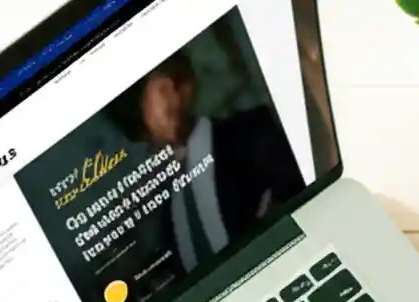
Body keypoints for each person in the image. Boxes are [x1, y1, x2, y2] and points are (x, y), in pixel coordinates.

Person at [109, 49, 306, 272]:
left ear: (186, 82)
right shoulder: (165, 213)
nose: (170, 96)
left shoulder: (253, 131)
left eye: (173, 83)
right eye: (160, 89)